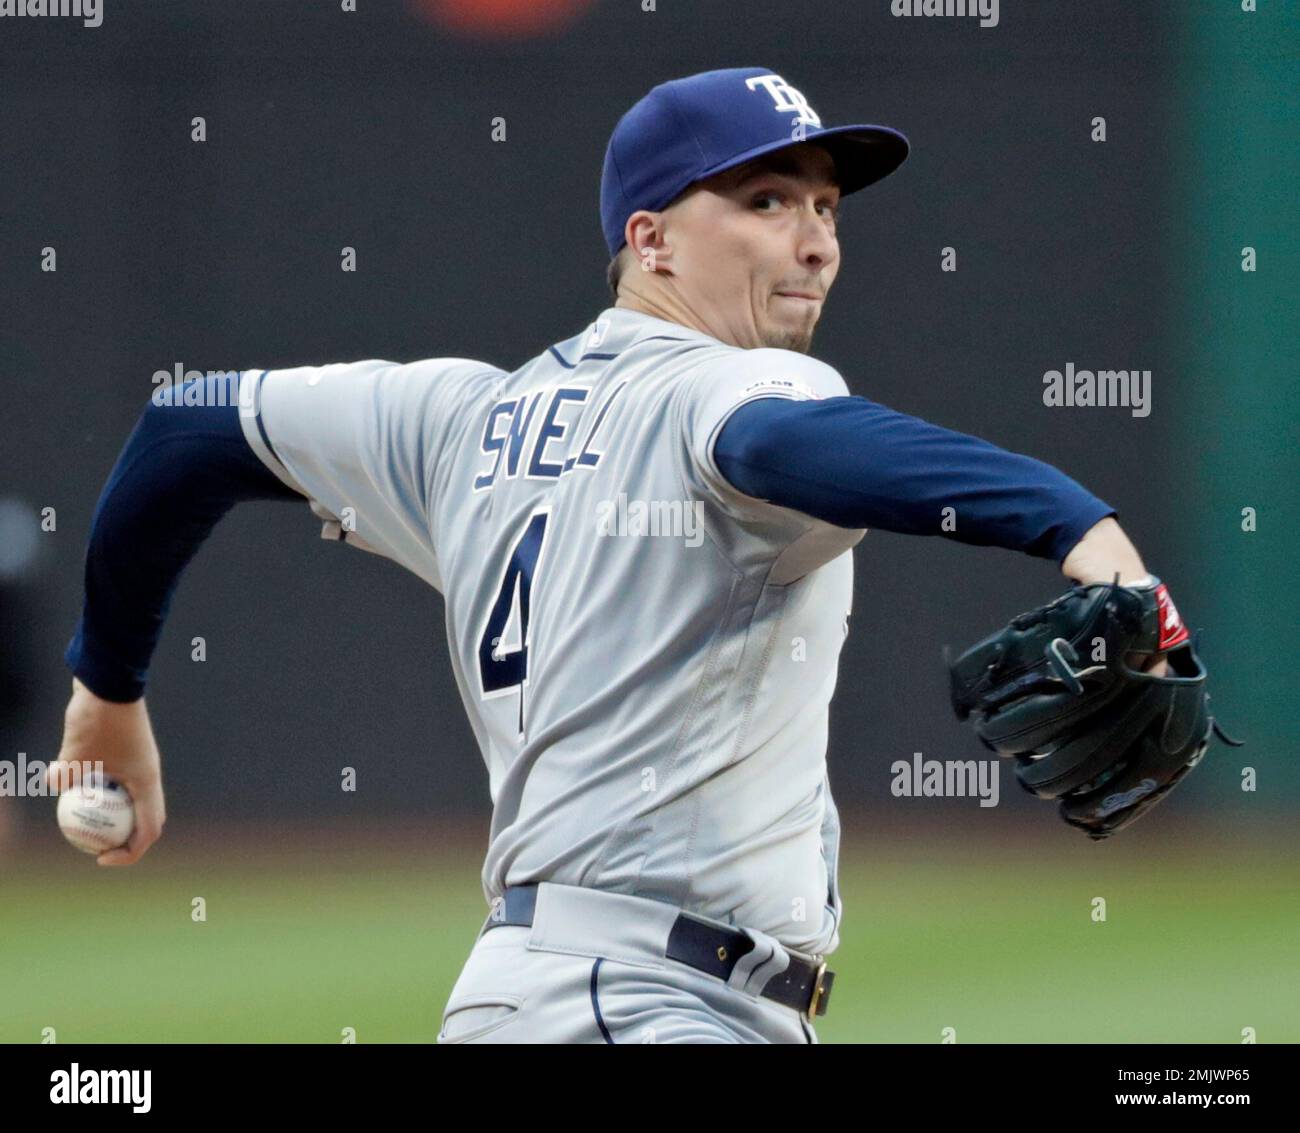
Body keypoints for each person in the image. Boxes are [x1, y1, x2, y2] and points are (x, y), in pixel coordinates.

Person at [52, 68, 1167, 1043]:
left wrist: (107, 687)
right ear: (650, 239)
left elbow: (184, 433)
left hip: (540, 989)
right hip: (644, 999)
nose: (816, 239)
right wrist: (1075, 524)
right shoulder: (729, 389)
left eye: (825, 206)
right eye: (764, 200)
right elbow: (792, 441)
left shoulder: (460, 420)